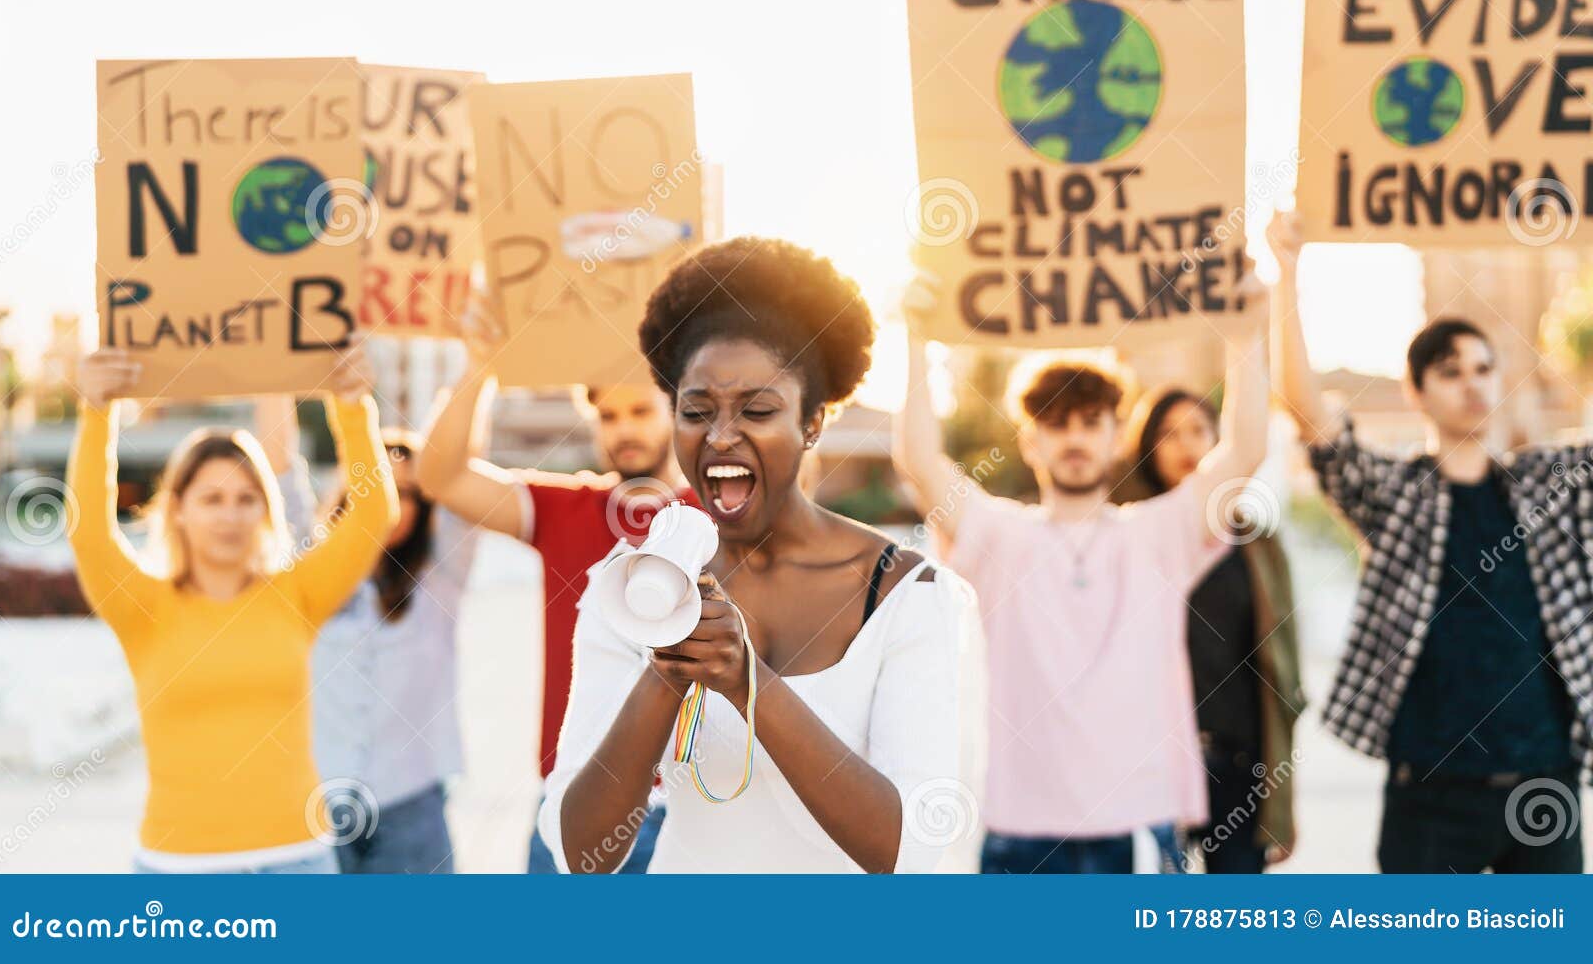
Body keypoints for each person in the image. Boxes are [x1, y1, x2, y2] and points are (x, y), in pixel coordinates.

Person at [538, 237, 985, 873]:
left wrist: (750, 683)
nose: (721, 436)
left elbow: (910, 853)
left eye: (758, 409)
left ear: (812, 422)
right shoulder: (630, 585)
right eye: (696, 410)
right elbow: (581, 855)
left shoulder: (907, 594)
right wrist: (667, 672)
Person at [894, 267, 1272, 874]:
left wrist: (1248, 335)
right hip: (1022, 833)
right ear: (1030, 442)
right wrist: (916, 339)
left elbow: (1245, 451)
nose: (1074, 438)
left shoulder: (1159, 532)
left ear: (1118, 437)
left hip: (1138, 825)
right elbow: (919, 459)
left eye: (1091, 421)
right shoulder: (999, 533)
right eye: (1056, 423)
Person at [1268, 210, 1591, 873]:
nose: (1472, 383)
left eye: (1483, 368)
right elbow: (1309, 417)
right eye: (1450, 371)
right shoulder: (1397, 494)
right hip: (1431, 790)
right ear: (1416, 391)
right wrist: (1286, 273)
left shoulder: (1550, 485)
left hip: (1544, 782)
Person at [66, 345, 396, 874]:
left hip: (298, 863)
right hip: (176, 871)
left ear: (265, 510)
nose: (230, 516)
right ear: (177, 509)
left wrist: (353, 406)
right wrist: (97, 410)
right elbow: (88, 533)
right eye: (212, 499)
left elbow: (373, 514)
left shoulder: (297, 593)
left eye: (246, 499)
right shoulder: (143, 608)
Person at [415, 296, 702, 873]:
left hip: (690, 814)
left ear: (678, 411)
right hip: (572, 807)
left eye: (640, 411)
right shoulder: (563, 508)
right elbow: (440, 476)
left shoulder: (720, 515)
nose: (624, 429)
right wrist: (479, 366)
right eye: (609, 416)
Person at [252, 396, 479, 874]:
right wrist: (273, 378)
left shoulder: (442, 576)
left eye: (409, 493)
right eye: (378, 486)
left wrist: (478, 372)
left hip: (410, 804)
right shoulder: (312, 569)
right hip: (317, 801)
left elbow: (461, 465)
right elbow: (280, 472)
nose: (393, 505)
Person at [1112, 387, 1306, 872]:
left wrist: (1282, 801)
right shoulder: (1123, 535)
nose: (1186, 445)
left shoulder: (1255, 542)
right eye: (1169, 434)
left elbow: (1282, 675)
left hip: (1238, 761)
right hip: (1150, 762)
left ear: (1219, 440)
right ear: (1145, 446)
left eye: (1198, 430)